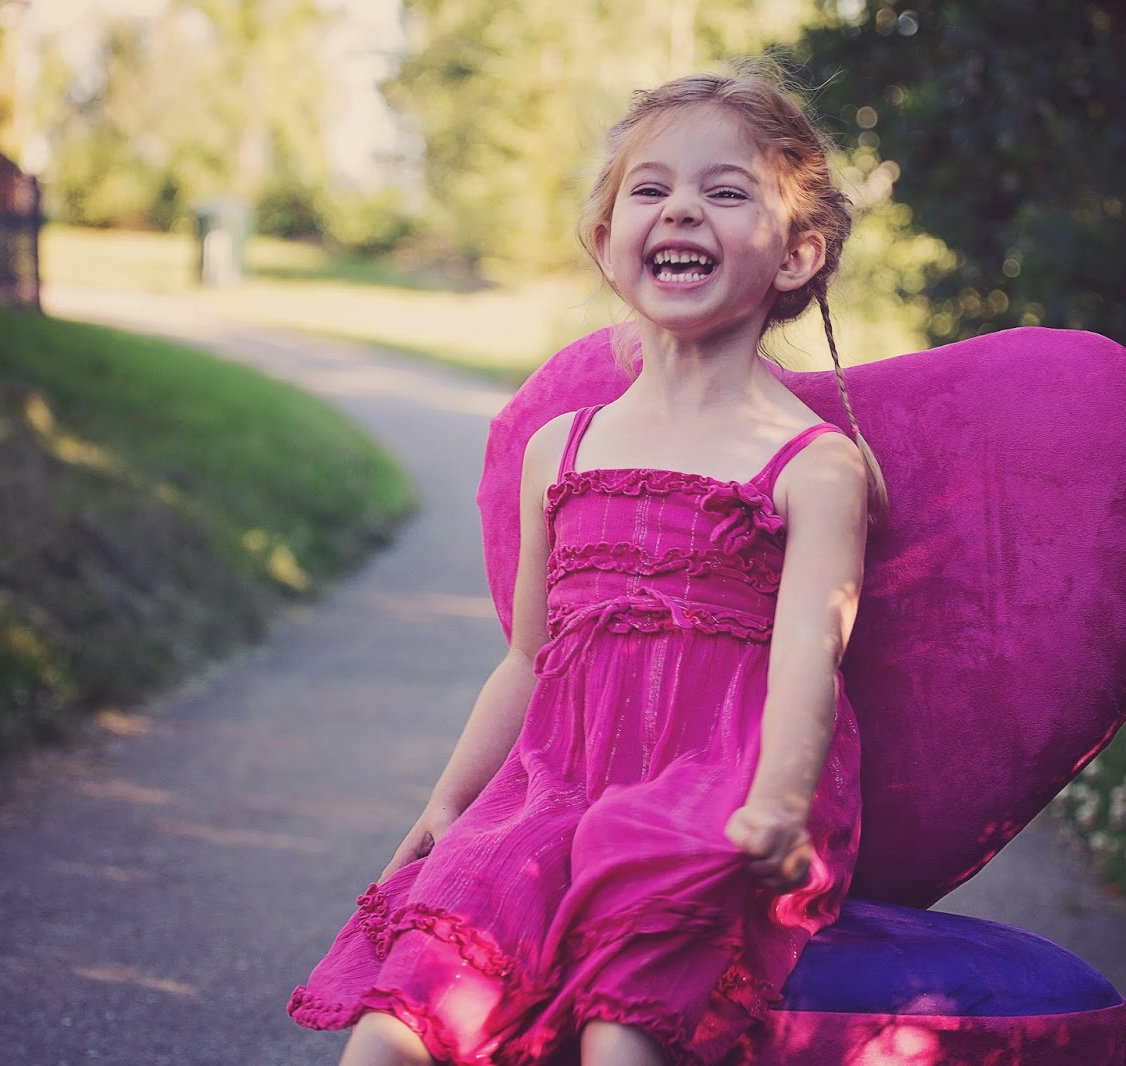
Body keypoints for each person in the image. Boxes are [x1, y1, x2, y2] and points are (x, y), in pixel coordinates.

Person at [288, 63, 889, 1066]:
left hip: (715, 788)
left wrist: (780, 805)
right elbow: (528, 659)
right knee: (399, 1023)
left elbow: (805, 661)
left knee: (620, 1031)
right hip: (556, 786)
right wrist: (451, 801)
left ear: (797, 254)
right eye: (649, 189)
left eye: (725, 191)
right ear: (606, 243)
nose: (681, 208)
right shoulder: (559, 450)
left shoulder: (813, 464)